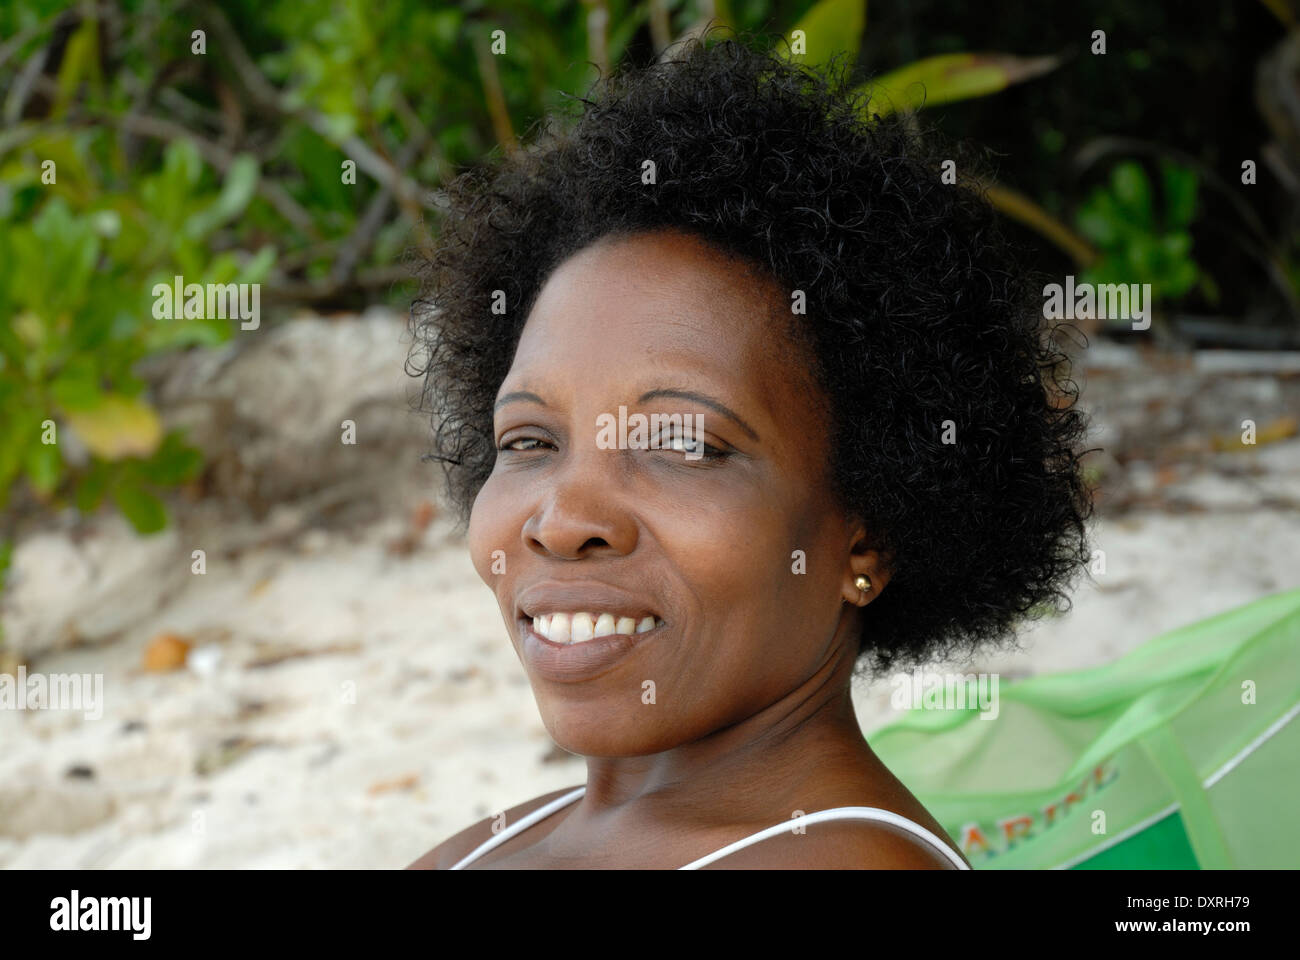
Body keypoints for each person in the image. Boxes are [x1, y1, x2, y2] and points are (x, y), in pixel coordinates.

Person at [405, 32, 1091, 869]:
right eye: (531, 440)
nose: (563, 517)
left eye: (686, 446)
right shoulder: (502, 841)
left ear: (865, 537)